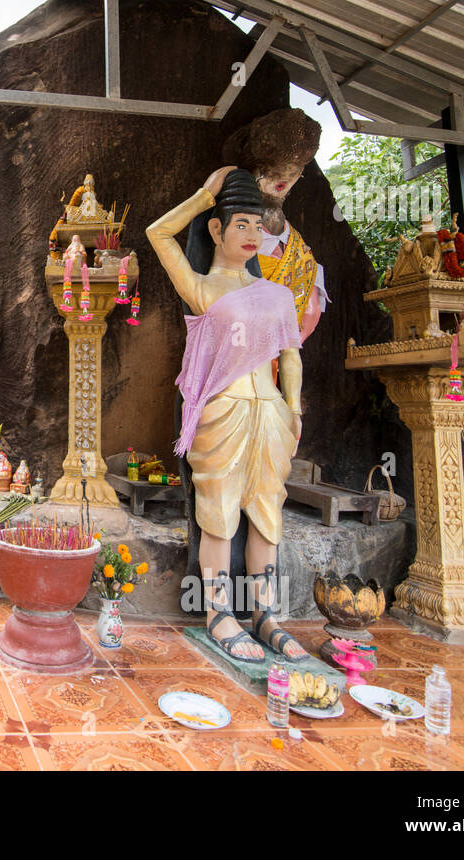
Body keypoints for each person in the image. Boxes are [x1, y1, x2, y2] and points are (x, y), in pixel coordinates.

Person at [146, 166, 307, 661]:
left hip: (271, 412)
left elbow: (291, 354)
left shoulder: (278, 295)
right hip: (223, 413)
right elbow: (157, 233)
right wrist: (205, 195)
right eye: (241, 225)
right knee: (218, 516)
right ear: (217, 230)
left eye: (258, 227)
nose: (253, 235)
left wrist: (294, 409)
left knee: (265, 516)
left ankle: (264, 614)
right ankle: (218, 613)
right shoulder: (202, 289)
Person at [222, 108, 327, 342]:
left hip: (287, 343)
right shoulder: (230, 224)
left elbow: (309, 292)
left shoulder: (295, 241)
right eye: (270, 171)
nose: (285, 178)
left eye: (295, 171)